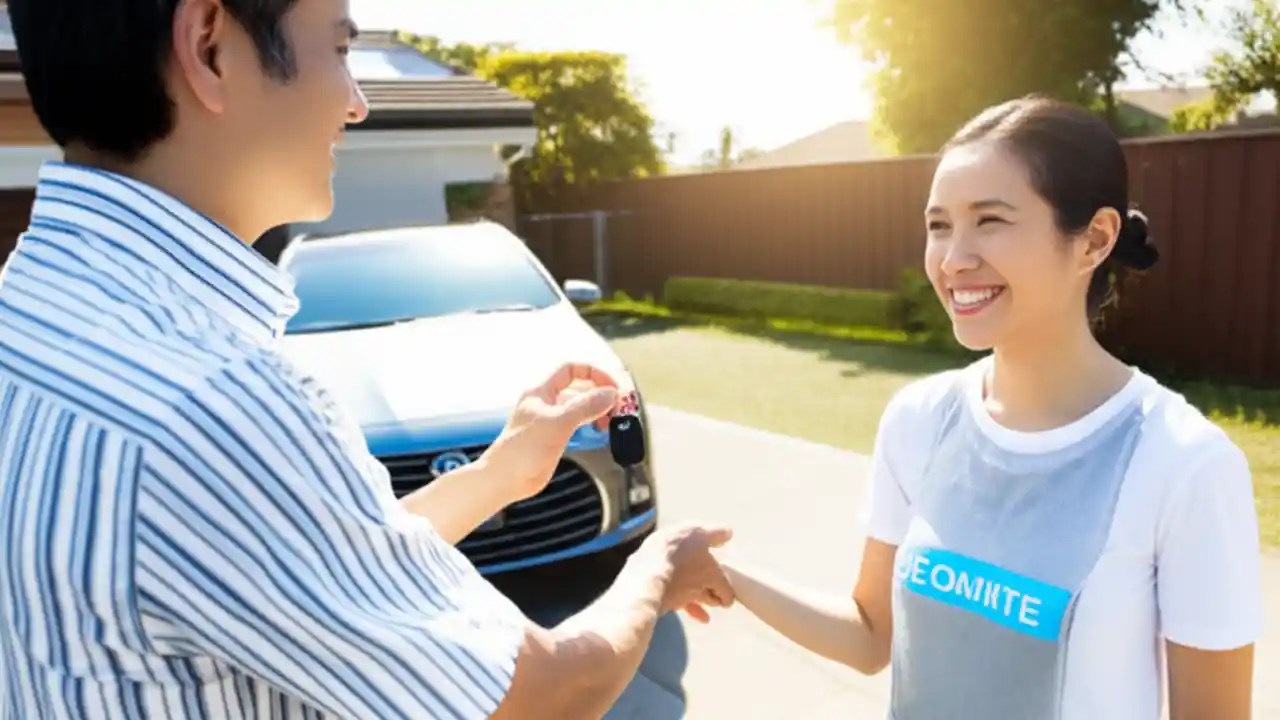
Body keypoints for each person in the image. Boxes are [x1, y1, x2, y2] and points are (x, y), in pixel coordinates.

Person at [0, 0, 734, 717]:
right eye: (341, 48)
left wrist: (497, 475)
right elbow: (538, 698)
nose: (355, 104)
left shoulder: (31, 311)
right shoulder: (219, 398)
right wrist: (655, 571)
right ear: (209, 47)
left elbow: (299, 559)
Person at [717, 96, 1263, 719]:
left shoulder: (1183, 463)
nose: (953, 259)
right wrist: (725, 577)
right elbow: (872, 634)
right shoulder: (918, 420)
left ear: (1095, 241)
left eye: (991, 221)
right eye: (939, 225)